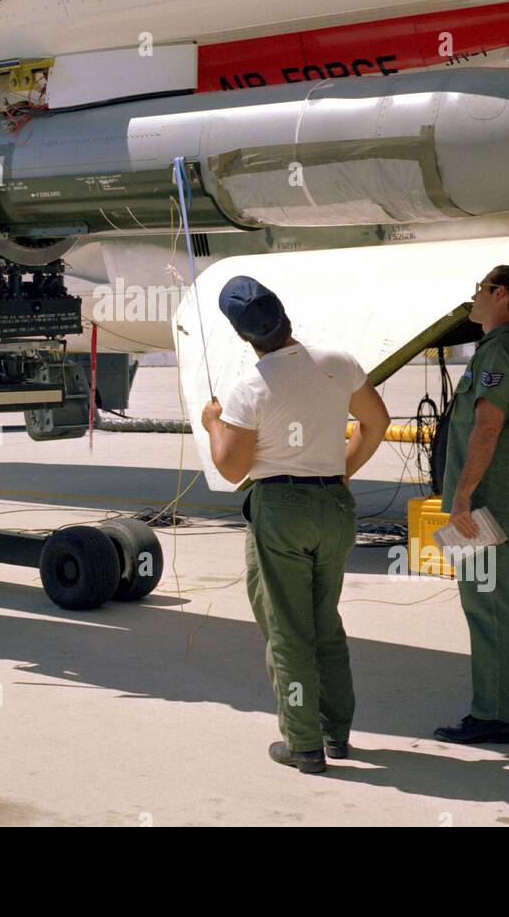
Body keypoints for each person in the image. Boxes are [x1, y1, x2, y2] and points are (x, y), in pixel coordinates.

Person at [202, 276, 389, 773]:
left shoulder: (249, 389)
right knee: (324, 621)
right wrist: (340, 470)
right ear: (285, 317)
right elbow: (378, 422)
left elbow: (231, 468)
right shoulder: (338, 362)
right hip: (334, 504)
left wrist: (213, 422)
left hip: (281, 508)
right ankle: (337, 734)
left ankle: (303, 743)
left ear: (243, 337)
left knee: (287, 630)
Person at [435, 266, 509, 745]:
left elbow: (487, 427)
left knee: (486, 606)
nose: (473, 298)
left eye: (480, 289)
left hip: (485, 502)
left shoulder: (496, 353)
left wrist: (461, 496)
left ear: (500, 294)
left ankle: (493, 714)